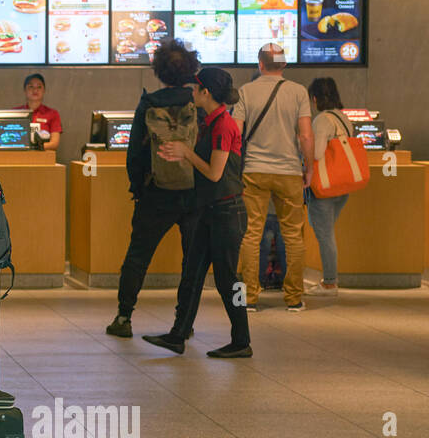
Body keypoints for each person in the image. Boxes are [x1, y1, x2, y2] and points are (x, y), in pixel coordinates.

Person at [143, 68, 251, 359]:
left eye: (196, 88)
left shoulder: (224, 126)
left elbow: (215, 174)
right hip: (209, 209)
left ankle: (242, 339)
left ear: (207, 93)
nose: (192, 92)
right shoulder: (210, 122)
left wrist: (187, 154)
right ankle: (178, 335)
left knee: (229, 278)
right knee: (192, 272)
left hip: (227, 211)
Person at [106, 40, 202, 338]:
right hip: (193, 193)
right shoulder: (197, 101)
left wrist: (138, 187)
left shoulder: (149, 104)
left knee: (138, 256)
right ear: (191, 67)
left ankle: (124, 317)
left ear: (158, 70)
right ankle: (184, 322)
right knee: (192, 260)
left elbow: (134, 151)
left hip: (154, 193)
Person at [233, 43, 313, 313]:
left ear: (260, 63)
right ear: (285, 64)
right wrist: (309, 167)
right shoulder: (298, 92)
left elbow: (236, 133)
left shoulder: (246, 92)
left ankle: (250, 298)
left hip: (254, 171)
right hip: (289, 171)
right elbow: (305, 135)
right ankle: (293, 299)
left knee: (251, 233)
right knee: (293, 235)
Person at [305, 77, 353, 297]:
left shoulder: (322, 120)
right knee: (327, 233)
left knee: (324, 235)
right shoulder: (343, 118)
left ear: (315, 98)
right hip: (342, 185)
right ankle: (330, 280)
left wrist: (302, 142)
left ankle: (330, 283)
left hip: (325, 186)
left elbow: (316, 153)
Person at [18, 73, 61, 151]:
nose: (35, 90)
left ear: (44, 90)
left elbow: (54, 144)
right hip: (18, 156)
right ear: (25, 90)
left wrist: (34, 148)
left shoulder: (52, 114)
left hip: (44, 158)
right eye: (31, 87)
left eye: (39, 87)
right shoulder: (15, 113)